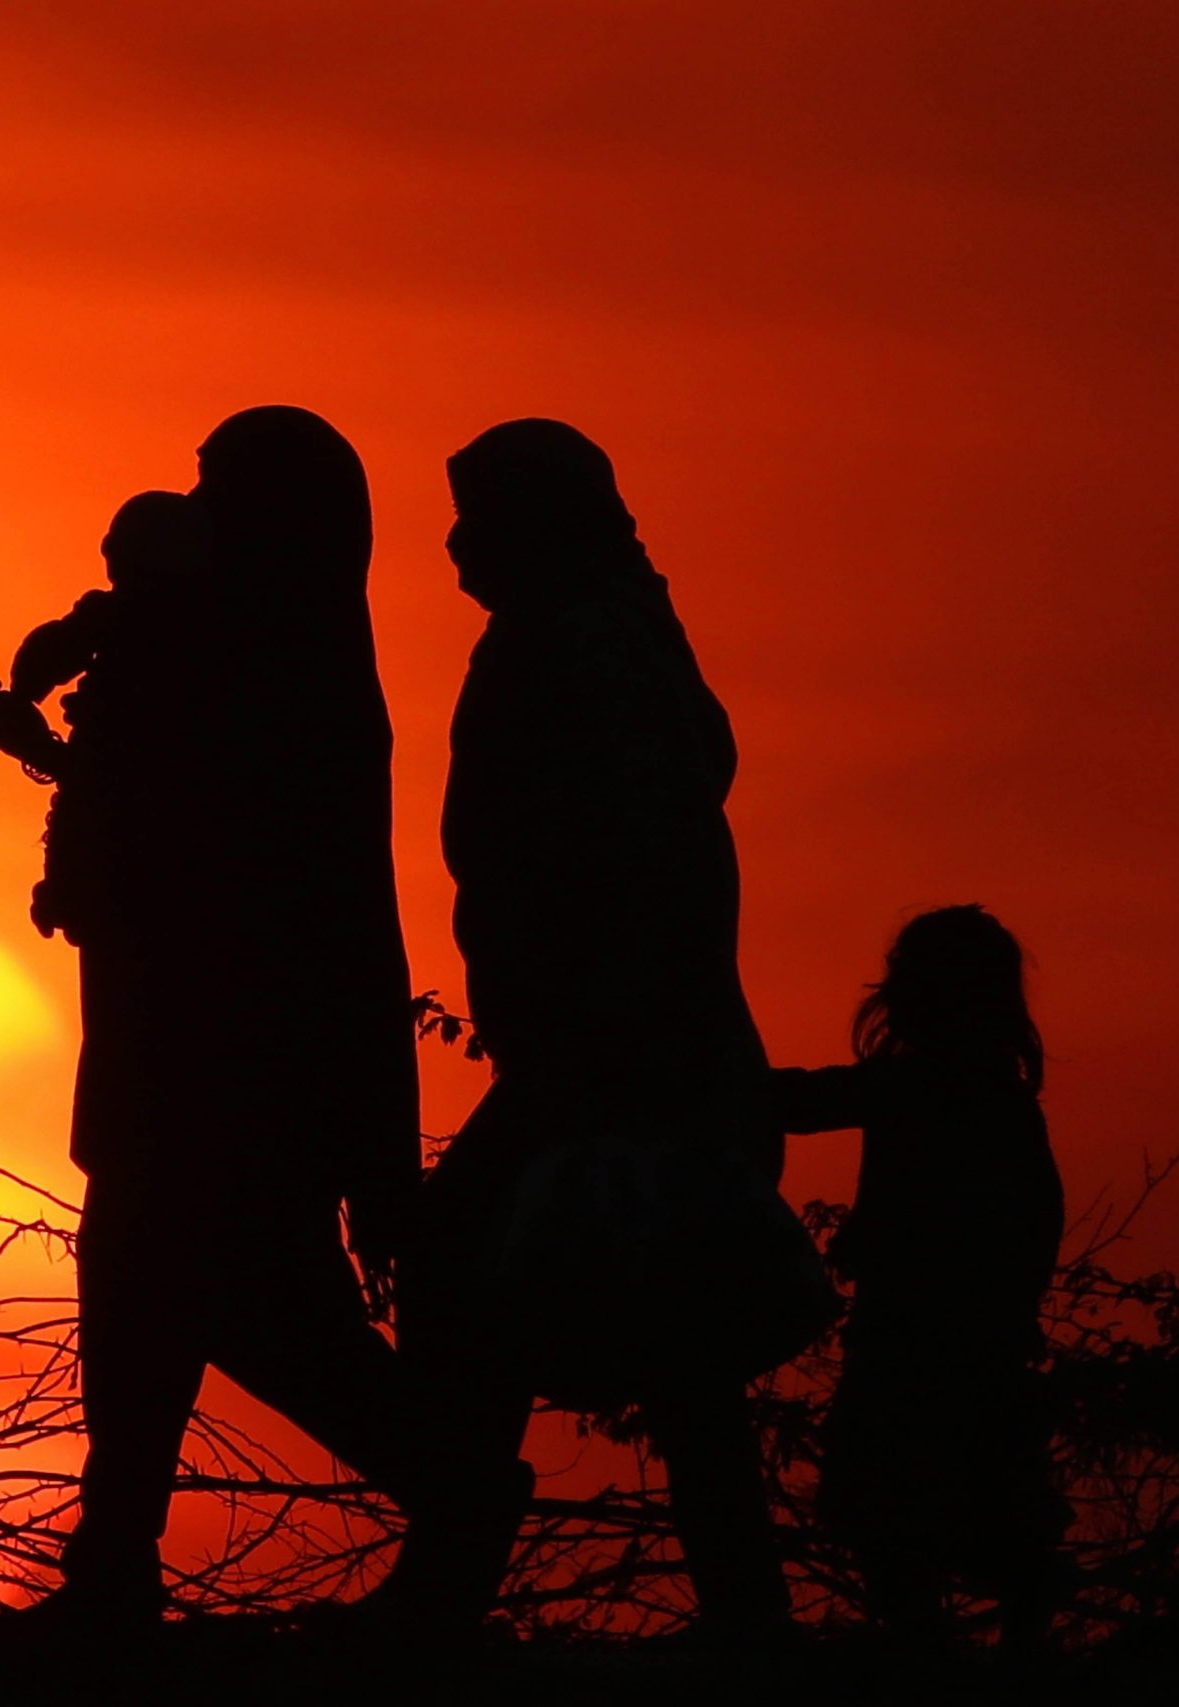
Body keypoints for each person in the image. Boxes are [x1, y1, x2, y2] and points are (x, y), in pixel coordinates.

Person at [0, 407, 453, 1627]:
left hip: (233, 1058)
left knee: (238, 1308)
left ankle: (454, 1490)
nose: (195, 509)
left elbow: (234, 851)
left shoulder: (279, 666)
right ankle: (115, 1562)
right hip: (168, 1036)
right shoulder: (236, 647)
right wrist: (57, 749)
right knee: (143, 1296)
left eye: (218, 486)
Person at [409, 418, 813, 1642]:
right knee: (666, 1347)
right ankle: (737, 1614)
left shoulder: (580, 644)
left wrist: (595, 1047)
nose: (457, 544)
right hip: (615, 1044)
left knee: (473, 1280)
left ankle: (447, 1584)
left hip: (616, 1051)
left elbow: (639, 853)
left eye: (480, 517)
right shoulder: (602, 634)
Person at [776, 905, 1068, 1652]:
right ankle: (992, 1653)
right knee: (986, 1506)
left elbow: (803, 1101)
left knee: (891, 1508)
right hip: (981, 1337)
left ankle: (941, 1657)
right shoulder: (1000, 1099)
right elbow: (1039, 1217)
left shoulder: (919, 1085)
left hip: (916, 1337)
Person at [0, 490, 206, 945]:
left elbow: (141, 791)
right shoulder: (124, 640)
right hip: (111, 900)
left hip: (152, 913)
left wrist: (35, 746)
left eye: (127, 552)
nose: (113, 567)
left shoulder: (182, 656)